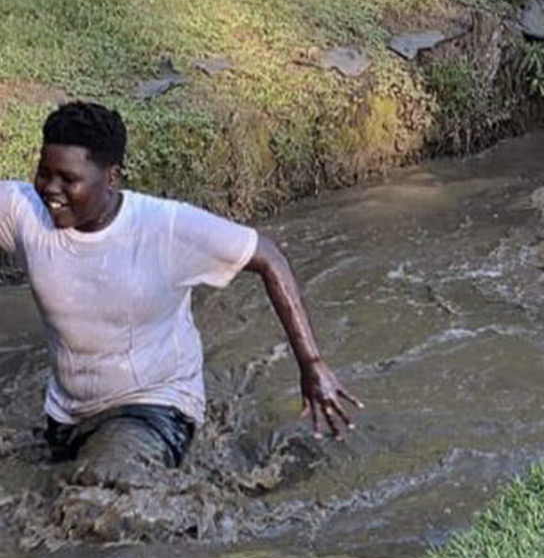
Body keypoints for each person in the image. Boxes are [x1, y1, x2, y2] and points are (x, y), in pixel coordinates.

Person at [0, 101, 359, 487]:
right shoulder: (25, 214)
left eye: (68, 180)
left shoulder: (166, 228)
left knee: (100, 497)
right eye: (43, 174)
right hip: (67, 414)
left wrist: (312, 362)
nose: (51, 191)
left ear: (111, 177)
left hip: (155, 406)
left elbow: (268, 257)